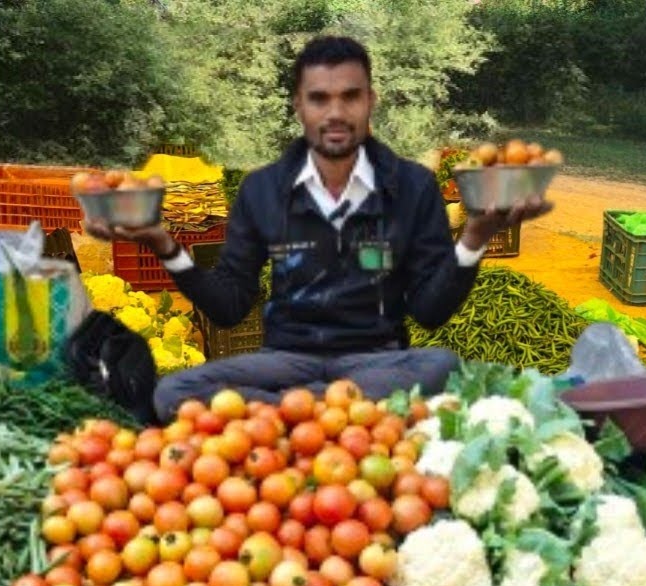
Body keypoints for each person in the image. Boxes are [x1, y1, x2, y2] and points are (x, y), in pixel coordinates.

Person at [88, 35, 552, 421]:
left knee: (443, 366)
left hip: (377, 361)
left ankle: (294, 415)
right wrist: (164, 243)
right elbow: (229, 307)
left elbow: (429, 312)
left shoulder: (412, 186)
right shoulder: (263, 190)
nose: (335, 112)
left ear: (370, 101)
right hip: (285, 362)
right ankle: (338, 413)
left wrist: (474, 238)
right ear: (298, 106)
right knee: (174, 390)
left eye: (349, 96)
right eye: (319, 98)